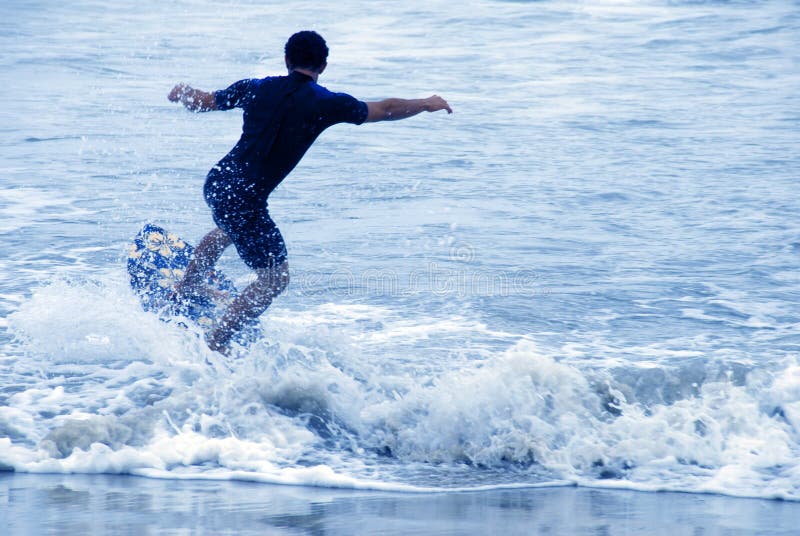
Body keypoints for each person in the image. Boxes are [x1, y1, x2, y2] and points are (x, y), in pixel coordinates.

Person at [168, 30, 452, 354]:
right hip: (245, 199)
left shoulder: (256, 87)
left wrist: (183, 93)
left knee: (228, 227)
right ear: (324, 66)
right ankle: (216, 344)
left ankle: (183, 290)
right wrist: (426, 103)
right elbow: (385, 109)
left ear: (286, 60)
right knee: (274, 279)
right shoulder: (327, 103)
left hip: (218, 182)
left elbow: (205, 102)